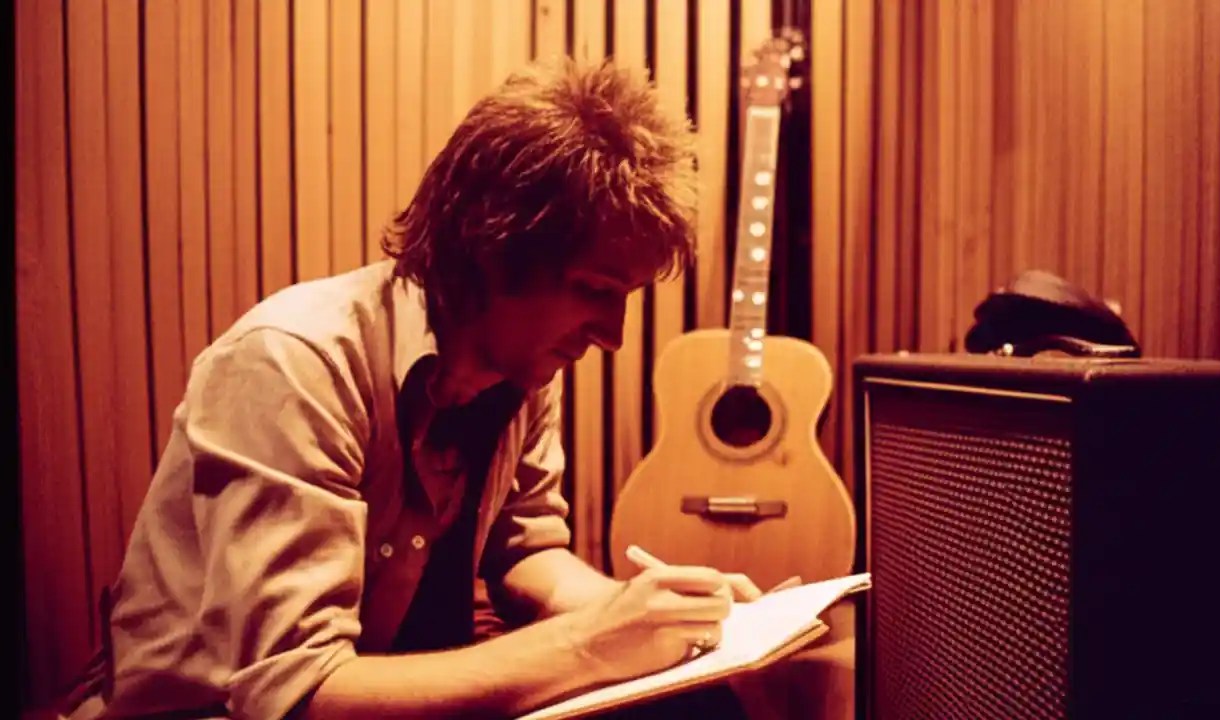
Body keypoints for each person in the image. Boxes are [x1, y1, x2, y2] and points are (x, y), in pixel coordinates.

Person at [59, 58, 763, 719]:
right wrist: (591, 647)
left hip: (379, 685)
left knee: (701, 704)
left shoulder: (518, 370)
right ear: (492, 247)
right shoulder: (293, 361)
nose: (613, 334)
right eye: (595, 291)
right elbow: (298, 688)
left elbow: (527, 552)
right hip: (214, 710)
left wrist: (655, 613)